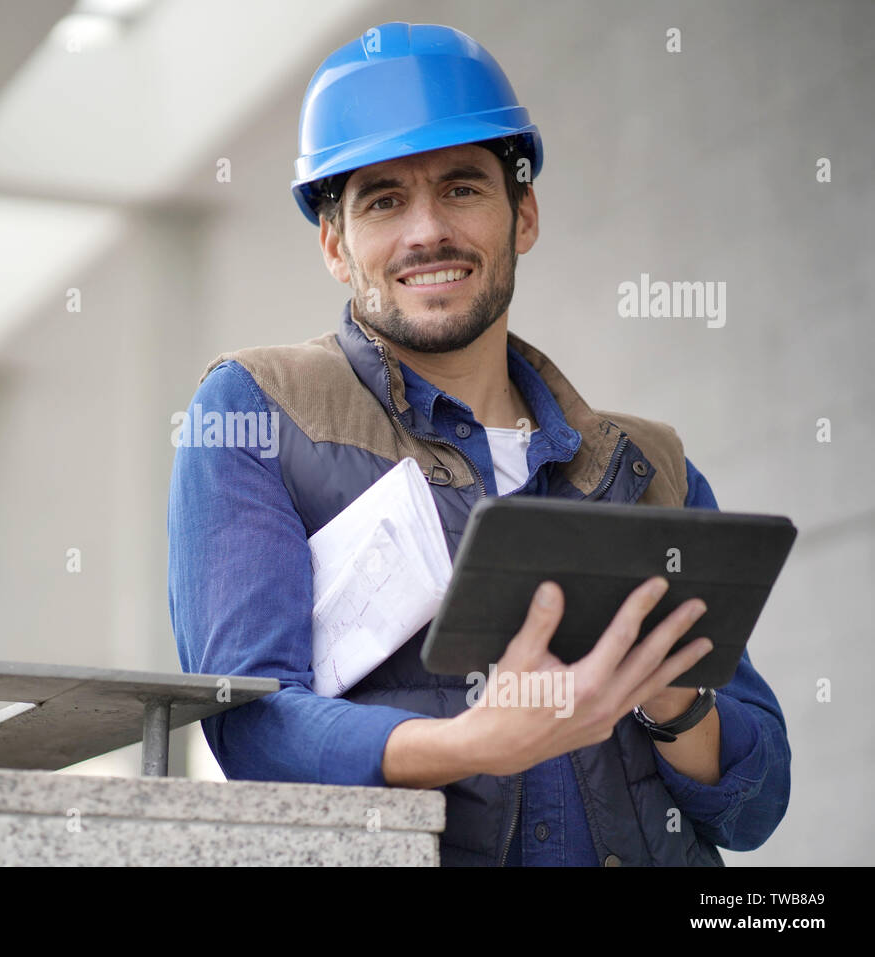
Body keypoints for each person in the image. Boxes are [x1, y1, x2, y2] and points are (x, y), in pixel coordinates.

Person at [166, 22, 789, 866]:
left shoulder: (647, 467)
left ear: (521, 213)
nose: (427, 232)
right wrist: (473, 743)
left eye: (462, 189)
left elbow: (755, 807)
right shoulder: (259, 412)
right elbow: (251, 721)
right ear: (334, 244)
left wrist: (672, 698)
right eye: (383, 199)